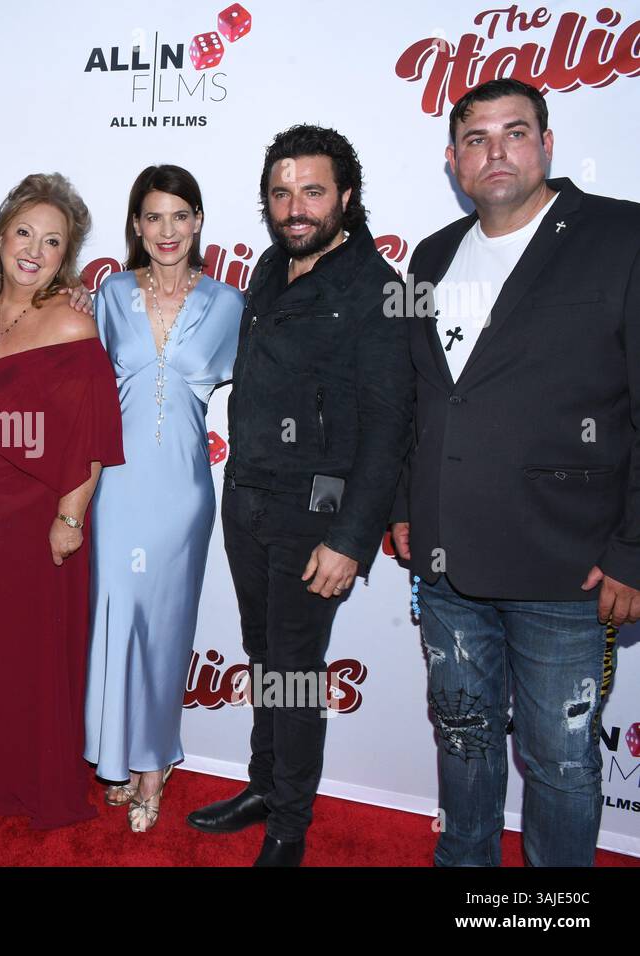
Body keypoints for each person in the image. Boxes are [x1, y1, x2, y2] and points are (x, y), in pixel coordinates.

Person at [390, 78, 640, 867]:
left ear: (547, 144)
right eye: (476, 138)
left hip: (566, 566)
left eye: (515, 132)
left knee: (561, 763)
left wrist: (634, 552)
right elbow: (419, 397)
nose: (495, 151)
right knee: (462, 739)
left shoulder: (620, 238)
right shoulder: (431, 254)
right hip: (446, 563)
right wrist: (405, 505)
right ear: (453, 161)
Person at [187, 126, 412, 865]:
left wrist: (351, 538)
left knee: (294, 669)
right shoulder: (268, 267)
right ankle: (262, 785)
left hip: (315, 515)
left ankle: (289, 822)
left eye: (312, 191)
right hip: (247, 496)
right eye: (281, 192)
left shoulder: (376, 287)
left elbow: (388, 429)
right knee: (264, 655)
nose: (295, 207)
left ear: (345, 196)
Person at [0, 173, 124, 828]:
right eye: (25, 233)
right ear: (1, 236)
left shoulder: (70, 324)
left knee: (18, 652)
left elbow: (91, 439)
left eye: (53, 242)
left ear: (67, 257)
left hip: (25, 519)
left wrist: (72, 517)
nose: (34, 250)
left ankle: (19, 774)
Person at [84, 165, 242, 831]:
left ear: (198, 220)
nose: (167, 230)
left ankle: (155, 767)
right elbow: (82, 391)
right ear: (137, 226)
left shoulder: (230, 304)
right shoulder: (110, 294)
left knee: (167, 629)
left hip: (182, 491)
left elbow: (265, 392)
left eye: (180, 215)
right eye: (153, 217)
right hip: (116, 484)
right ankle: (119, 754)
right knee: (116, 618)